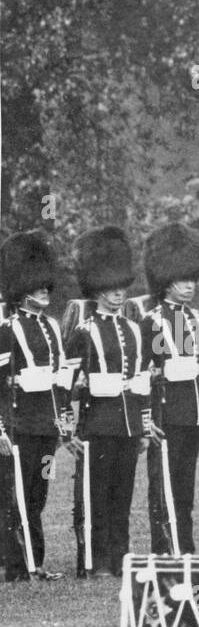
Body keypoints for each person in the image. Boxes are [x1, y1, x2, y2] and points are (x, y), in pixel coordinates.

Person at [65, 227, 152, 577]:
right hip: (98, 423)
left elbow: (142, 380)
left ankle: (120, 557)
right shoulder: (83, 332)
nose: (118, 293)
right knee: (95, 496)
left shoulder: (133, 329)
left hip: (129, 423)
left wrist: (144, 426)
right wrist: (67, 426)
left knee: (122, 495)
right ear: (97, 289)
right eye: (110, 287)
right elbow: (65, 384)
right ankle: (95, 559)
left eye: (121, 287)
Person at [0, 230, 76, 581]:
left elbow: (61, 379)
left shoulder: (52, 327)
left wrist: (63, 418)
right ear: (23, 287)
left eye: (47, 285)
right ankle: (18, 565)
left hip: (46, 428)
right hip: (19, 426)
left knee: (38, 495)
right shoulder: (7, 330)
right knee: (17, 497)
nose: (45, 290)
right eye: (38, 285)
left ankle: (37, 560)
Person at [141, 223, 199, 555]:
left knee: (186, 486)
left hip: (195, 412)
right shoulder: (153, 322)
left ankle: (184, 544)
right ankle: (164, 545)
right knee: (163, 484)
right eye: (181, 280)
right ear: (164, 282)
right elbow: (144, 372)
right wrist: (146, 418)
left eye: (191, 279)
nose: (188, 286)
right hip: (166, 412)